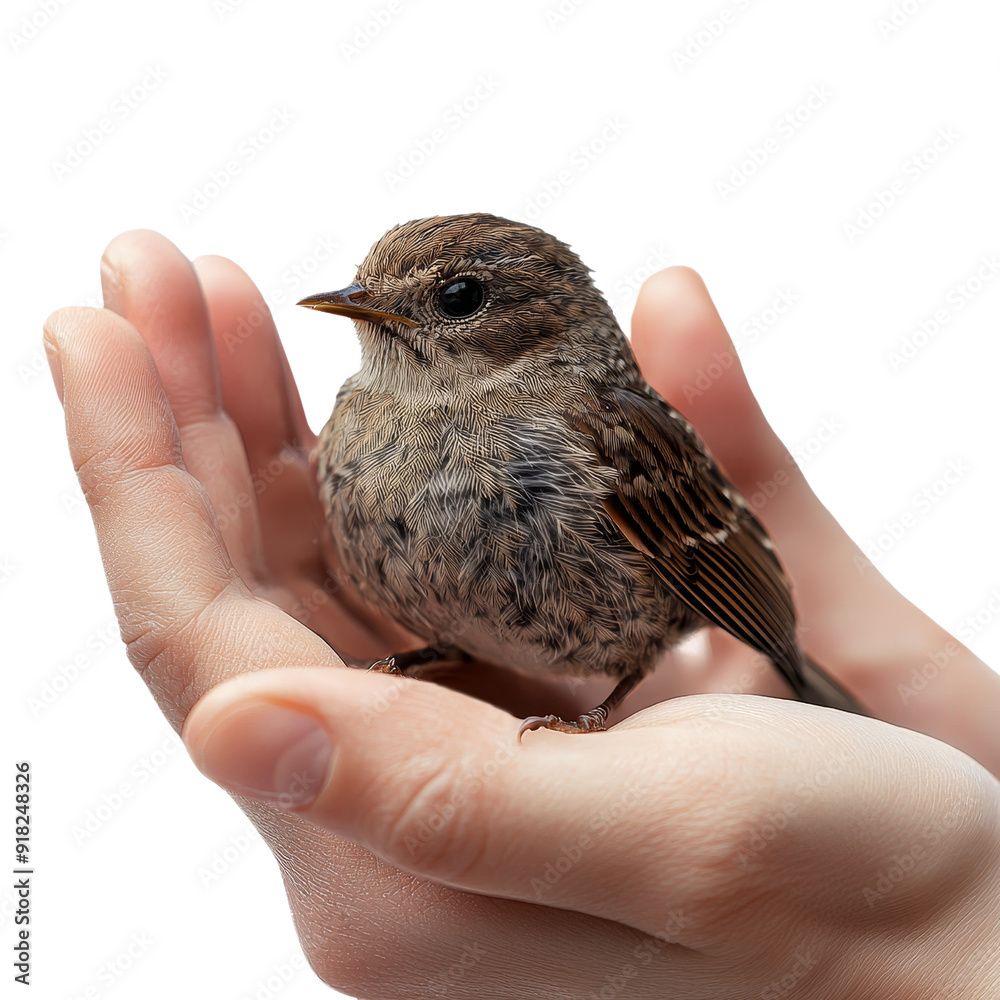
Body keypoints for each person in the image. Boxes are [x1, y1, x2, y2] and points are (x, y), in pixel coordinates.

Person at [44, 230, 1000, 998]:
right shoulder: (358, 411)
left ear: (534, 325)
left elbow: (703, 559)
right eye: (377, 290)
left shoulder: (591, 417)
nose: (372, 312)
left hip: (638, 633)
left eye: (455, 299)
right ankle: (441, 656)